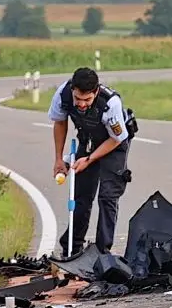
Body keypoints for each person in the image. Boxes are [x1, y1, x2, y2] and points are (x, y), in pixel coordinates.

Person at [49, 67, 135, 257]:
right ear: (73, 89)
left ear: (95, 92)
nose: (81, 104)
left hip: (113, 144)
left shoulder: (110, 103)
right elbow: (60, 122)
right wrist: (58, 159)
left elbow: (116, 139)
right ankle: (72, 248)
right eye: (78, 99)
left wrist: (89, 159)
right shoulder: (63, 94)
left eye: (87, 100)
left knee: (107, 196)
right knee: (81, 195)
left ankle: (101, 252)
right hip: (88, 141)